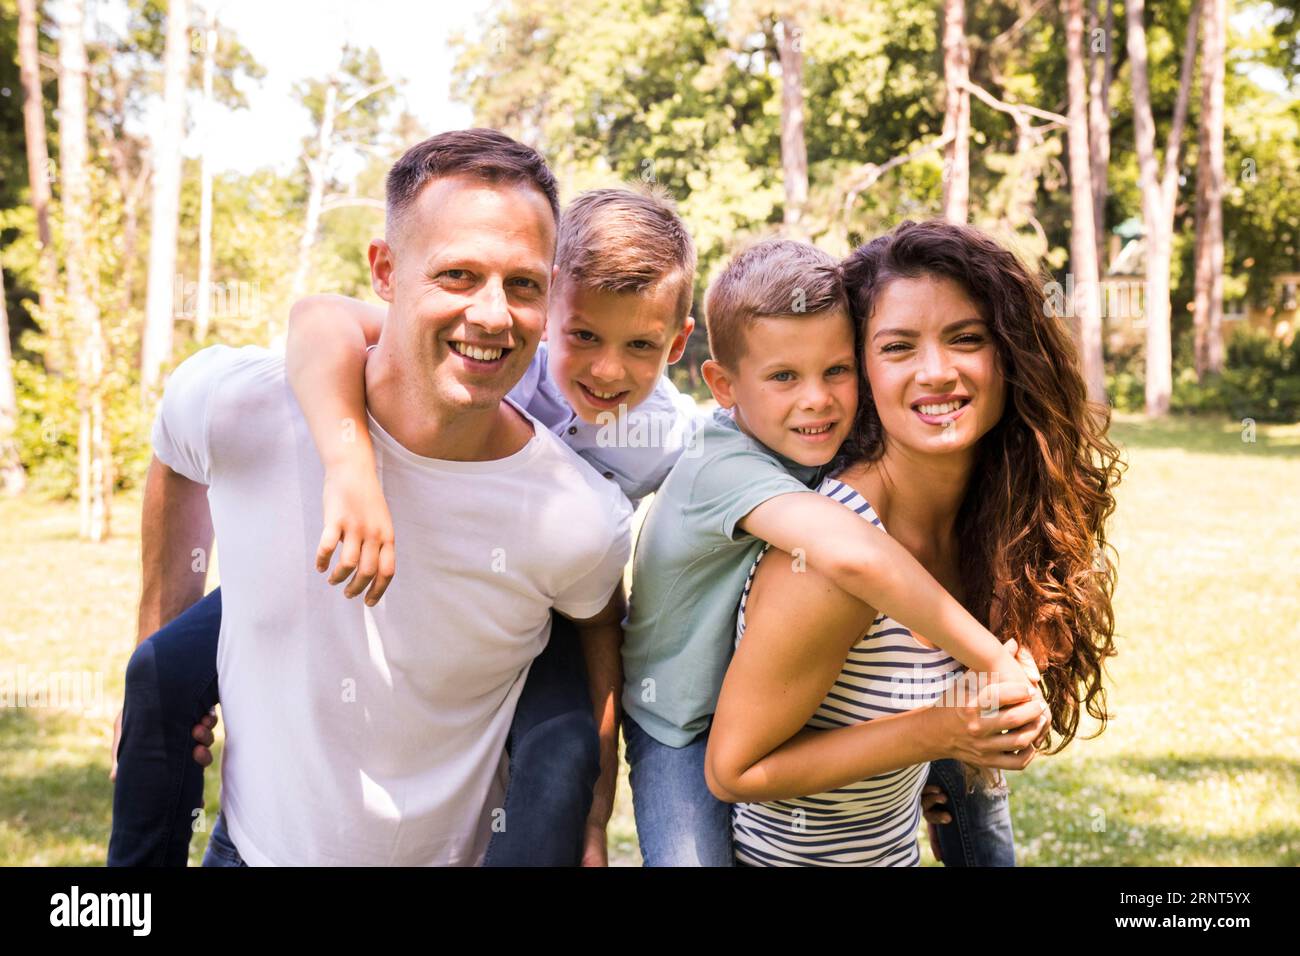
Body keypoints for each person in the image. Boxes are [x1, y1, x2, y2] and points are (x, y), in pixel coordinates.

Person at [109, 183, 699, 867]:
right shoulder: (494, 343)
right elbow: (323, 317)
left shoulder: (669, 439)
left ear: (677, 344)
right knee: (156, 674)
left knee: (560, 751)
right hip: (365, 539)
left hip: (549, 590)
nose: (605, 369)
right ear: (556, 304)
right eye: (583, 335)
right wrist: (349, 462)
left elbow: (755, 444)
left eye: (639, 347)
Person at [705, 219, 1122, 866]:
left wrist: (999, 726)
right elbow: (736, 770)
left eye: (966, 338)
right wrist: (939, 732)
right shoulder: (828, 560)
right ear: (861, 371)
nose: (936, 371)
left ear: (1009, 354)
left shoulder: (994, 519)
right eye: (898, 347)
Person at [619, 238, 1038, 866]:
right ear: (723, 385)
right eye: (784, 376)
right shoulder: (723, 464)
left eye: (835, 371)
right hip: (675, 718)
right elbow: (857, 557)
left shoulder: (815, 451)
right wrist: (995, 662)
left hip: (768, 713)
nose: (816, 399)